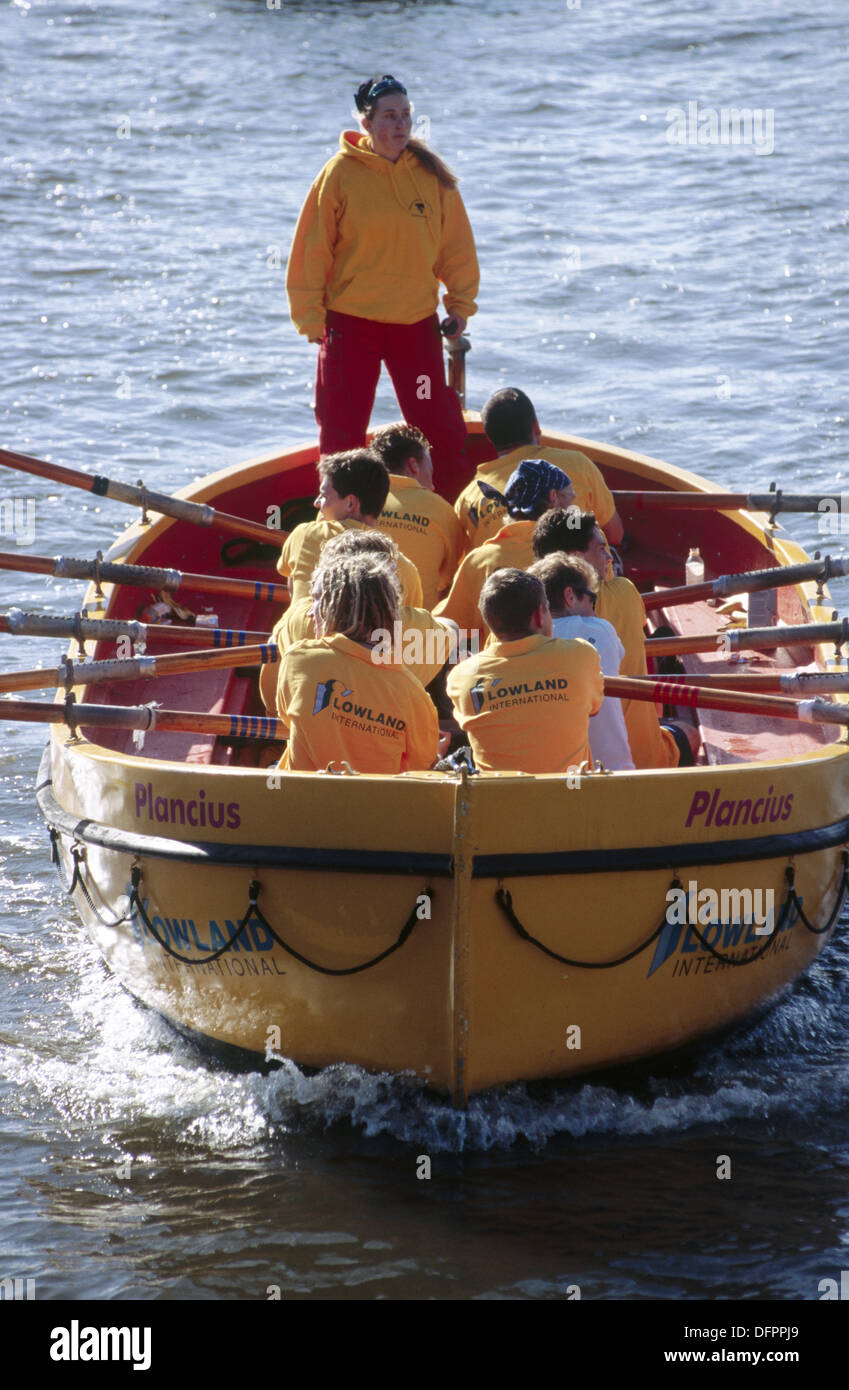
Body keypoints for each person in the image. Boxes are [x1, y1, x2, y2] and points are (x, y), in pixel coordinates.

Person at [286, 74, 479, 498]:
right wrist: (309, 318)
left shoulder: (430, 174)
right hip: (350, 327)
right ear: (367, 123)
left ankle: (453, 512)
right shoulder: (339, 174)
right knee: (342, 431)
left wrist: (459, 304)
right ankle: (340, 518)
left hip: (414, 327)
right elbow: (312, 249)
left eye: (406, 115)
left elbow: (456, 247)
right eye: (390, 116)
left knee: (437, 425)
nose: (400, 124)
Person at [532, 509, 691, 769]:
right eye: (601, 549)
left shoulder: (519, 620)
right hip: (640, 760)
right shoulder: (624, 593)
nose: (609, 557)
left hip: (557, 770)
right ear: (577, 558)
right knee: (688, 732)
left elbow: (465, 632)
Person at [275, 553, 439, 774]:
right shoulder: (414, 694)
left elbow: (288, 717)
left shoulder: (298, 659)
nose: (311, 613)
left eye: (317, 600)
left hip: (299, 792)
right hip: (374, 797)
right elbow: (420, 764)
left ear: (335, 607)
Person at [446, 568, 603, 774]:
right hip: (570, 792)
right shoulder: (581, 655)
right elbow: (594, 708)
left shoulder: (461, 677)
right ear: (539, 616)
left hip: (495, 794)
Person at [454, 386, 623, 551]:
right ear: (535, 426)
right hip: (575, 568)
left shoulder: (469, 497)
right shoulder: (578, 463)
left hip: (504, 569)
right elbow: (615, 535)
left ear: (490, 438)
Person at [434, 458, 574, 636]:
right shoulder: (585, 547)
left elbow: (452, 630)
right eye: (570, 498)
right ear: (553, 498)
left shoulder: (479, 561)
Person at [529, 553, 634, 771]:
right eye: (592, 599)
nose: (594, 610)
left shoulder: (520, 641)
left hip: (550, 777)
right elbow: (620, 654)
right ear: (570, 596)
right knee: (685, 732)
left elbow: (465, 631)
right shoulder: (603, 629)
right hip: (613, 770)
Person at [369, 422, 465, 610]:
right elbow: (448, 579)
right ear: (413, 465)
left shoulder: (350, 501)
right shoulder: (442, 509)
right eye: (430, 472)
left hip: (359, 618)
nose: (433, 486)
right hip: (419, 623)